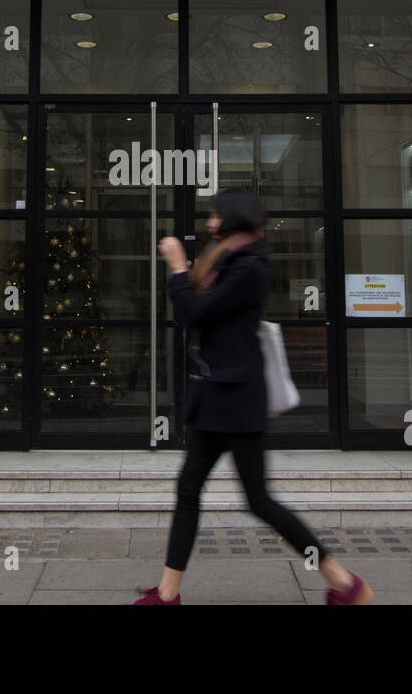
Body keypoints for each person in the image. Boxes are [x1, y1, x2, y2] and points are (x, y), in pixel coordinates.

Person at [131, 188, 372, 605]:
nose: (208, 223)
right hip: (218, 398)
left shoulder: (249, 269)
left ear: (233, 220)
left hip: (238, 402)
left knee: (258, 501)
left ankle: (343, 581)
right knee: (189, 490)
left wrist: (175, 268)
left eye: (213, 216)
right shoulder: (228, 261)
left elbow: (194, 314)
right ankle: (167, 593)